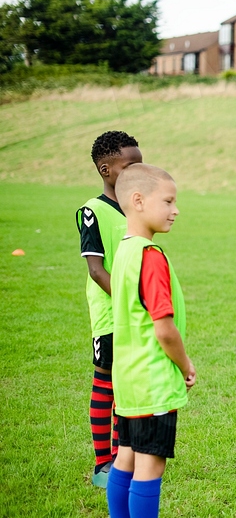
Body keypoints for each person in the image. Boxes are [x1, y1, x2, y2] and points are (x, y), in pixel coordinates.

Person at [105, 163, 199, 518]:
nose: (176, 210)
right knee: (150, 463)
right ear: (138, 201)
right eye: (169, 201)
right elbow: (164, 328)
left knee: (124, 456)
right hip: (153, 379)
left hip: (126, 379)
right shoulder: (151, 257)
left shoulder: (124, 249)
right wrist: (186, 364)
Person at [77, 131, 143, 487]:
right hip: (111, 316)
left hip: (136, 313)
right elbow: (96, 269)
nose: (138, 170)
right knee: (106, 384)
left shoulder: (136, 207)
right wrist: (126, 298)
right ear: (106, 169)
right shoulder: (93, 210)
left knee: (127, 385)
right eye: (130, 165)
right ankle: (104, 462)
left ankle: (122, 458)